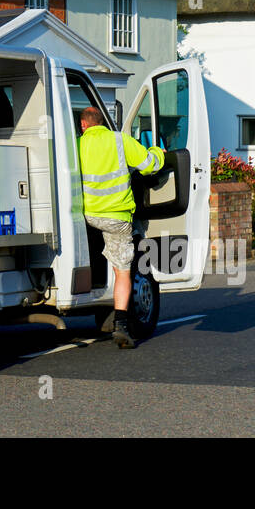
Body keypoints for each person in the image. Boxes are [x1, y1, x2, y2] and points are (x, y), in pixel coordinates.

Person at [78, 106, 165, 348]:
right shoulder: (120, 141)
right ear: (103, 122)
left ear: (84, 126)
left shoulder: (77, 145)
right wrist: (159, 151)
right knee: (122, 270)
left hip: (88, 216)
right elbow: (150, 165)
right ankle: (121, 325)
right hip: (117, 217)